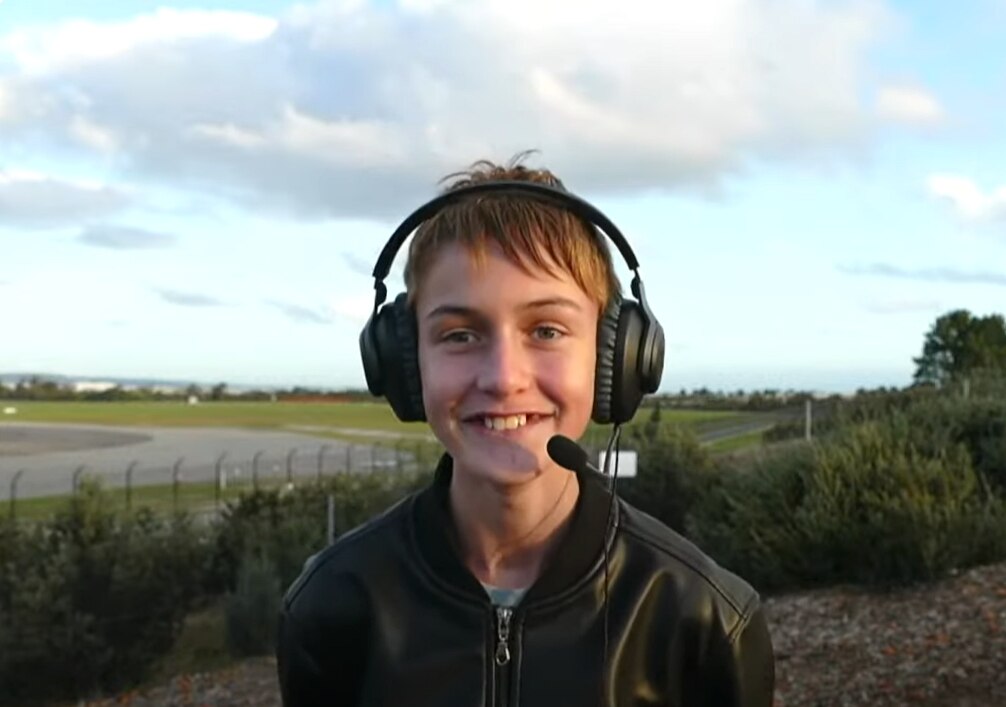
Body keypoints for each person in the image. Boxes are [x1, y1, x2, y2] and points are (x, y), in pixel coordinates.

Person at [275, 153, 776, 706]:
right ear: (403, 361)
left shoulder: (703, 619)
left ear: (617, 357)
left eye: (546, 329)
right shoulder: (333, 606)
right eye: (460, 335)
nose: (504, 378)